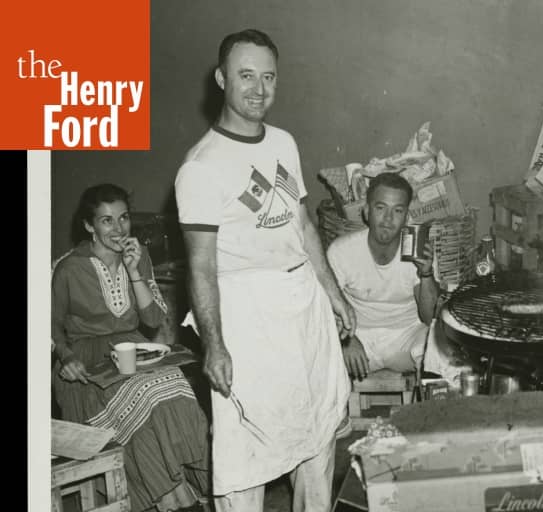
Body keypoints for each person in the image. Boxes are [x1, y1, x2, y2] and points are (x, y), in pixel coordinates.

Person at [174, 29, 355, 512]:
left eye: (268, 77)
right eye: (246, 76)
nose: (258, 89)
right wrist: (214, 344)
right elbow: (200, 265)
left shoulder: (284, 143)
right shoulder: (201, 166)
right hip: (247, 319)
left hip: (302, 308)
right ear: (220, 79)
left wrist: (332, 294)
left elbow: (303, 226)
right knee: (245, 451)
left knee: (317, 436)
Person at [52, 184, 210, 512]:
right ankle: (168, 500)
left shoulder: (138, 256)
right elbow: (48, 321)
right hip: (86, 362)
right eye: (106, 221)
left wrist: (135, 270)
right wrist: (65, 357)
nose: (119, 228)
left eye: (123, 218)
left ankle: (179, 495)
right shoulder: (70, 267)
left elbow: (152, 318)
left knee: (177, 389)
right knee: (147, 396)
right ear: (89, 226)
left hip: (133, 348)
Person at [326, 172, 460, 381]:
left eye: (397, 211)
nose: (388, 219)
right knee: (317, 350)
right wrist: (346, 341)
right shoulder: (342, 251)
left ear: (407, 217)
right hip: (359, 338)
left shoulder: (417, 249)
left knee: (440, 347)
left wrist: (426, 273)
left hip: (407, 337)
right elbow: (324, 307)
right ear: (366, 211)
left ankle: (435, 410)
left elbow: (427, 317)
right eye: (381, 208)